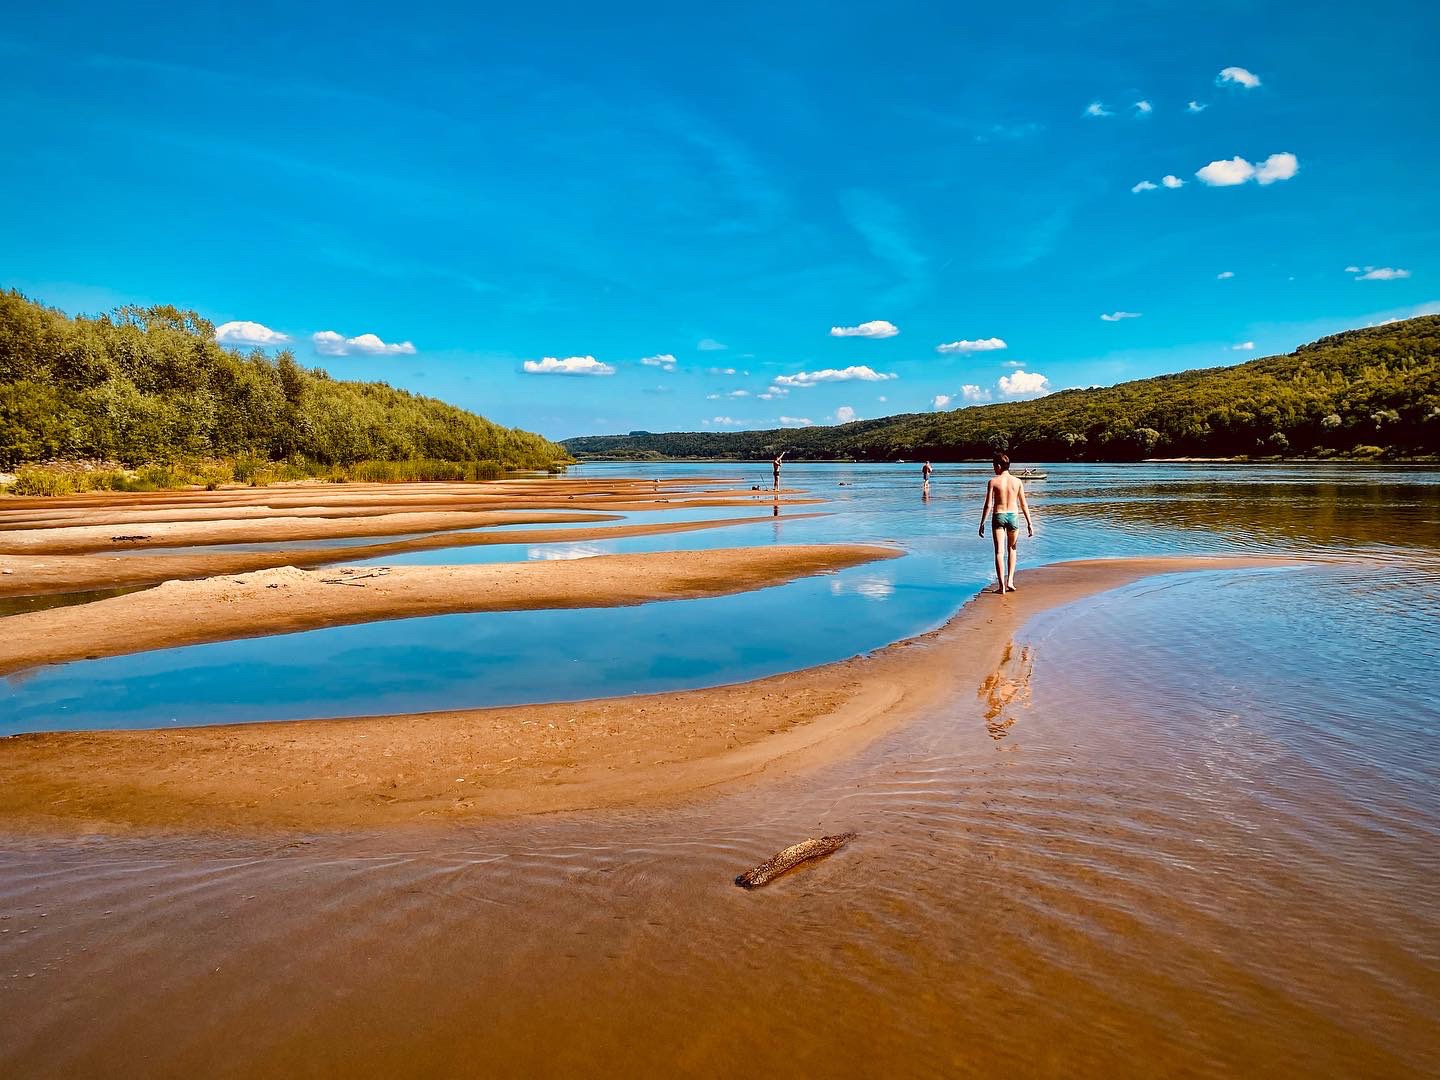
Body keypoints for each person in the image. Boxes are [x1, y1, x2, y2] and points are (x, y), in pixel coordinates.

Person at [978, 452, 1034, 593]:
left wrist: (982, 522)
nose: (993, 469)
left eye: (993, 466)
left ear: (998, 466)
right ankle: (1010, 581)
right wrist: (1029, 523)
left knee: (999, 552)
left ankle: (1001, 586)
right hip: (1013, 516)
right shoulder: (1017, 482)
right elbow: (1023, 504)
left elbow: (988, 505)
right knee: (1012, 549)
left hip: (999, 516)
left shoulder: (993, 482)